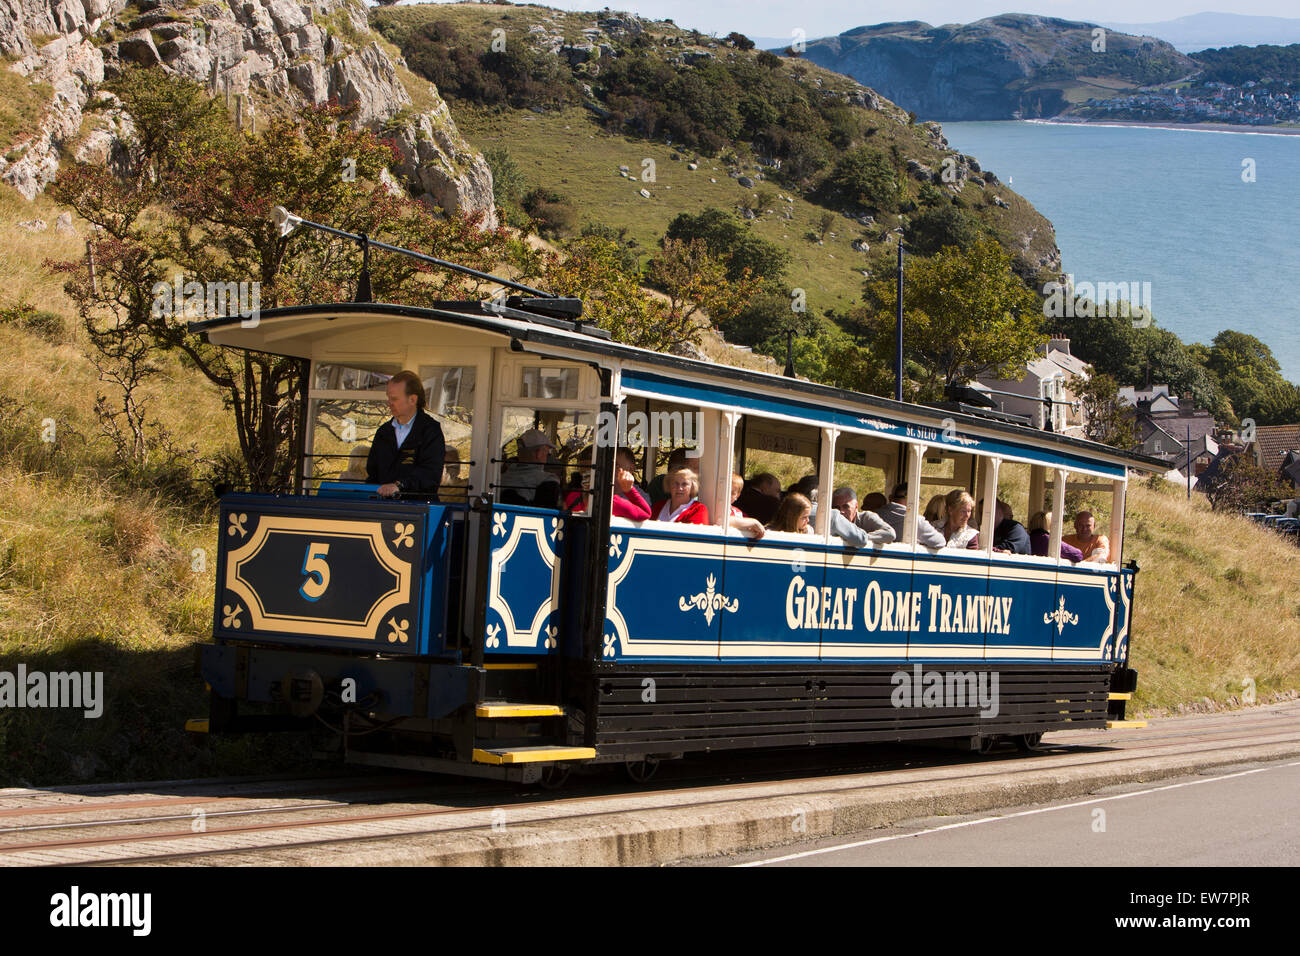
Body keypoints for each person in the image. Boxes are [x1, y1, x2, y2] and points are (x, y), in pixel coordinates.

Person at [366, 370, 446, 498]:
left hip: (418, 510)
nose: (389, 403)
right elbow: (372, 473)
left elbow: (430, 474)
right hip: (382, 508)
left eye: (394, 398)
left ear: (413, 399)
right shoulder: (383, 432)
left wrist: (400, 486)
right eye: (388, 397)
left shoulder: (430, 430)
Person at [499, 429, 561, 508]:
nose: (547, 457)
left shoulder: (501, 478)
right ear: (538, 453)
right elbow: (544, 513)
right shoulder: (547, 480)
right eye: (547, 453)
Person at [875, 482, 945, 548]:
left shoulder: (877, 514)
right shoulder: (916, 520)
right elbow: (940, 542)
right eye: (918, 499)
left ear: (891, 498)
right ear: (912, 499)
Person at [830, 486, 896, 547]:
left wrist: (862, 537)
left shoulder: (867, 518)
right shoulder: (830, 519)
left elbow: (890, 533)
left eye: (846, 507)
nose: (841, 511)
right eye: (836, 507)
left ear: (856, 507)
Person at [612, 448, 652, 520]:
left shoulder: (642, 497)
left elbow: (646, 513)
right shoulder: (603, 489)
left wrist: (629, 491)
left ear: (631, 469)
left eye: (617, 465)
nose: (612, 468)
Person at [728, 474, 765, 539]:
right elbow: (722, 521)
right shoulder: (715, 509)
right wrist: (753, 522)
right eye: (726, 491)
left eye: (732, 493)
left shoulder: (739, 514)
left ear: (737, 496)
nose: (727, 495)